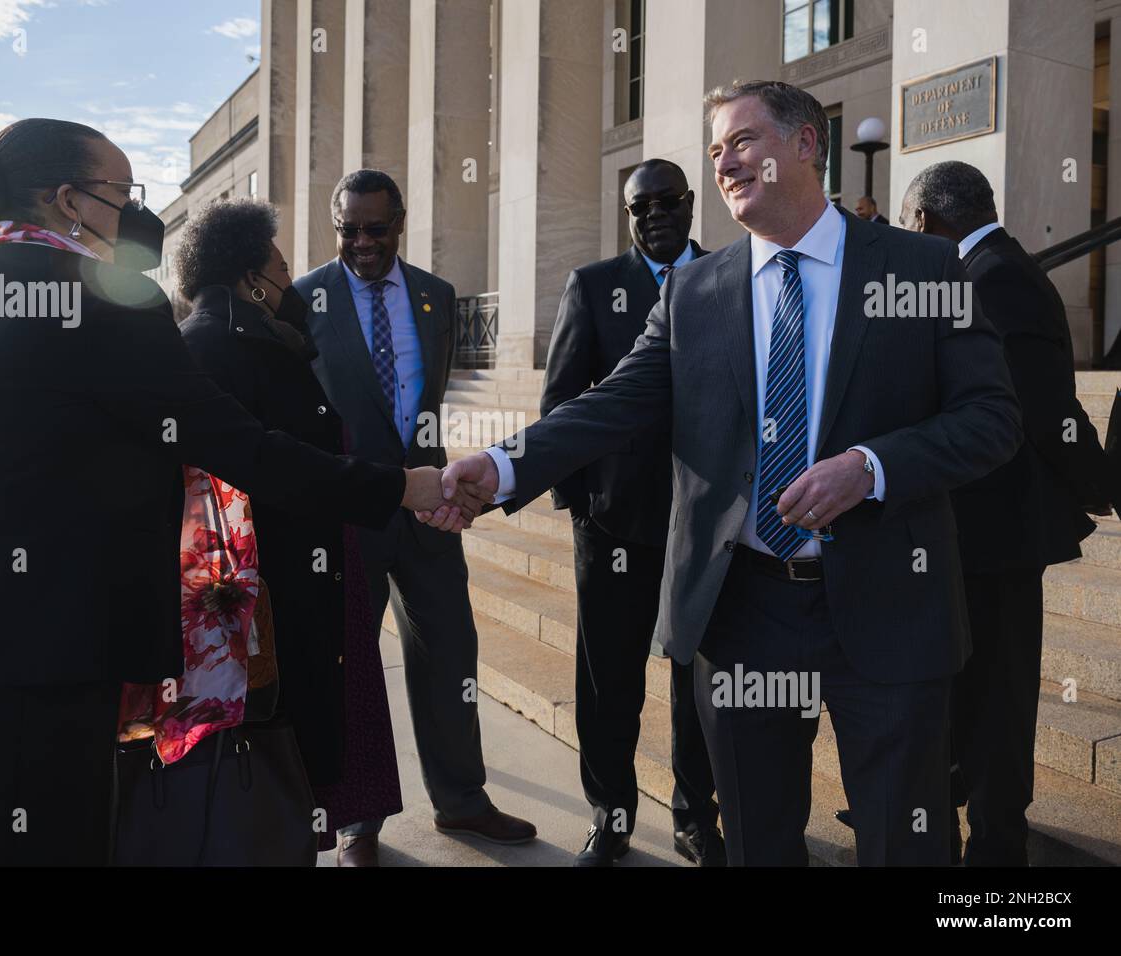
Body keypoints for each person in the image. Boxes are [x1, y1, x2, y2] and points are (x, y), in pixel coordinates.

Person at [433, 80, 1022, 866]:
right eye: (715, 151)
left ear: (808, 144)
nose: (724, 164)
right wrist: (503, 466)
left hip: (888, 605)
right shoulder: (695, 292)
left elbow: (992, 420)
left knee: (904, 840)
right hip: (742, 612)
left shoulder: (924, 267)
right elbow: (609, 406)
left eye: (742, 141)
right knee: (757, 842)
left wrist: (872, 467)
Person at [0, 119, 469, 867]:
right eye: (122, 190)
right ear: (70, 200)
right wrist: (399, 487)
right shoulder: (110, 304)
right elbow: (241, 446)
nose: (134, 210)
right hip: (34, 657)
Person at [295, 169, 536, 865]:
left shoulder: (435, 296)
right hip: (351, 514)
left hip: (428, 513)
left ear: (400, 221)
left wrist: (445, 483)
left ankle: (461, 801)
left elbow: (424, 407)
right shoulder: (303, 299)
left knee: (450, 654)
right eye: (348, 231)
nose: (363, 243)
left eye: (376, 228)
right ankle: (358, 821)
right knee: (353, 666)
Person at [900, 161, 1119, 865]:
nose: (908, 237)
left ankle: (997, 850)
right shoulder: (981, 272)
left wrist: (1095, 483)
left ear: (930, 221)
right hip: (968, 532)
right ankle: (948, 801)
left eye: (909, 224)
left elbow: (1046, 410)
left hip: (1000, 533)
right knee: (969, 686)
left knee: (999, 698)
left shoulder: (998, 278)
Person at [173, 198, 403, 862]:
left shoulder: (240, 337)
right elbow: (272, 459)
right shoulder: (225, 344)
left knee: (303, 731)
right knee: (278, 742)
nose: (287, 276)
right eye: (277, 263)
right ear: (250, 275)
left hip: (302, 564)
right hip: (271, 583)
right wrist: (389, 486)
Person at [541, 157, 721, 866]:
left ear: (688, 204)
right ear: (628, 215)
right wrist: (581, 507)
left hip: (706, 526)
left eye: (667, 202)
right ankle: (611, 814)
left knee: (696, 684)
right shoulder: (591, 287)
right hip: (613, 526)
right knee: (608, 679)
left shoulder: (728, 277)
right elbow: (561, 403)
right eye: (639, 206)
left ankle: (694, 818)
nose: (655, 215)